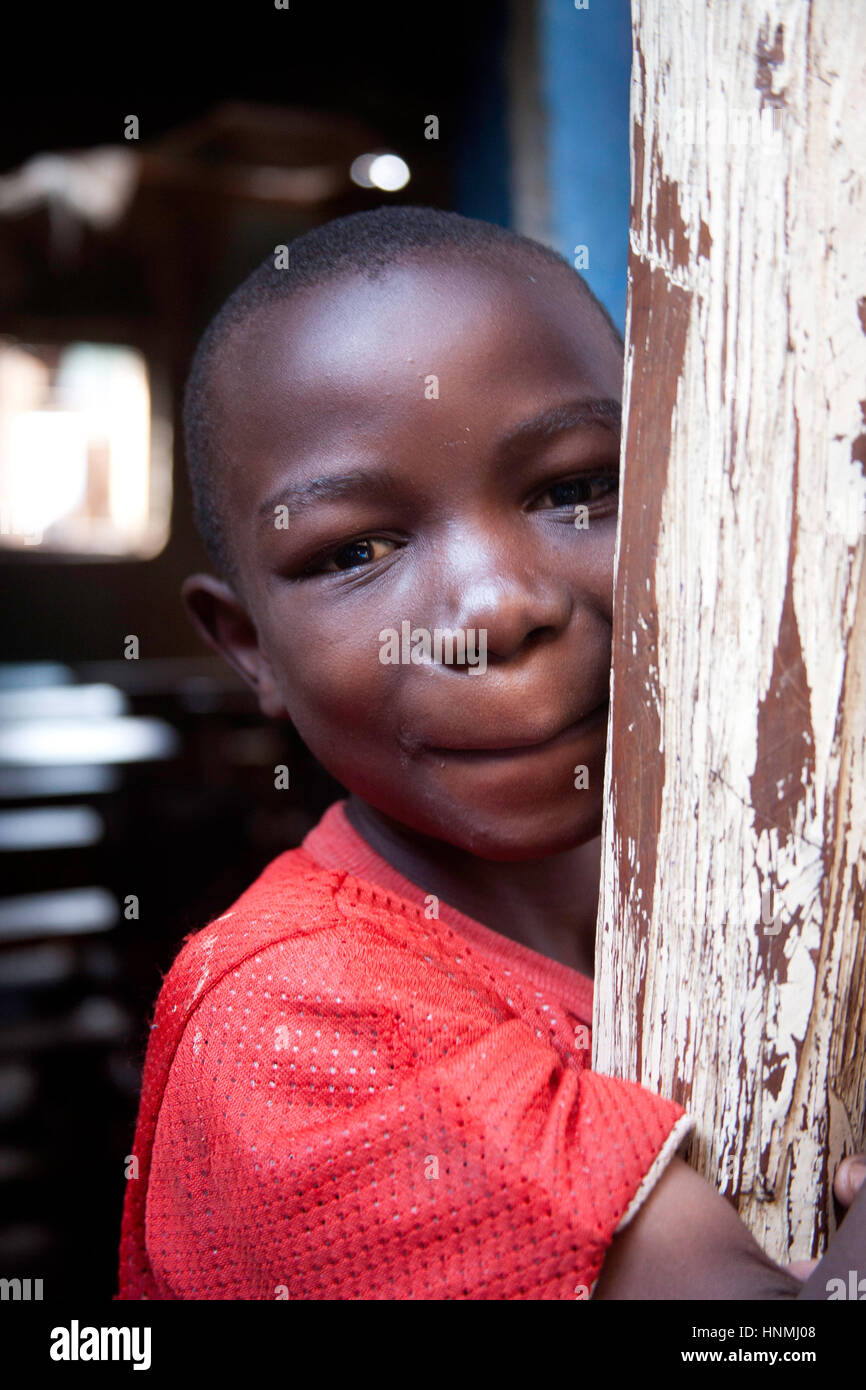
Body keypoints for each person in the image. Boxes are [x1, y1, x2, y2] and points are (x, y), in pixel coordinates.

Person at [115, 206, 865, 1300]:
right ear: (247, 649)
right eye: (354, 550)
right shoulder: (291, 1022)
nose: (496, 609)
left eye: (572, 489)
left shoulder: (789, 855)